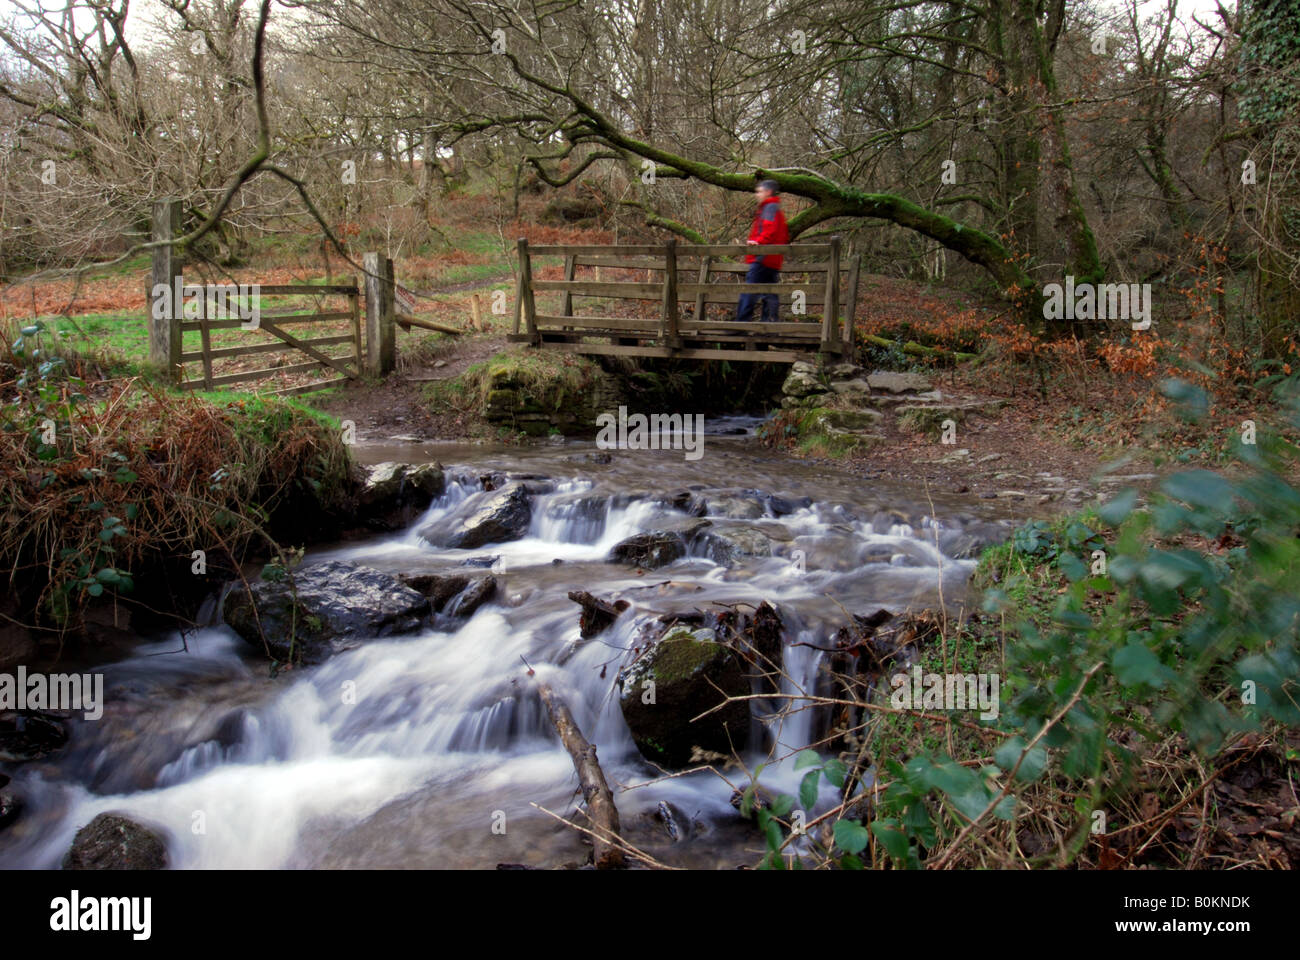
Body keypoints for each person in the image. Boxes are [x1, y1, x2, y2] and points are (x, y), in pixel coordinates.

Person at [735, 179, 789, 326]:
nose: (757, 195)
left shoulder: (770, 208)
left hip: (763, 257)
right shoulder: (775, 208)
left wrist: (759, 243)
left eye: (759, 191)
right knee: (769, 292)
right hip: (773, 259)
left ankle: (740, 325)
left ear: (768, 192)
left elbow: (769, 230)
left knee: (750, 290)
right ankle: (769, 326)